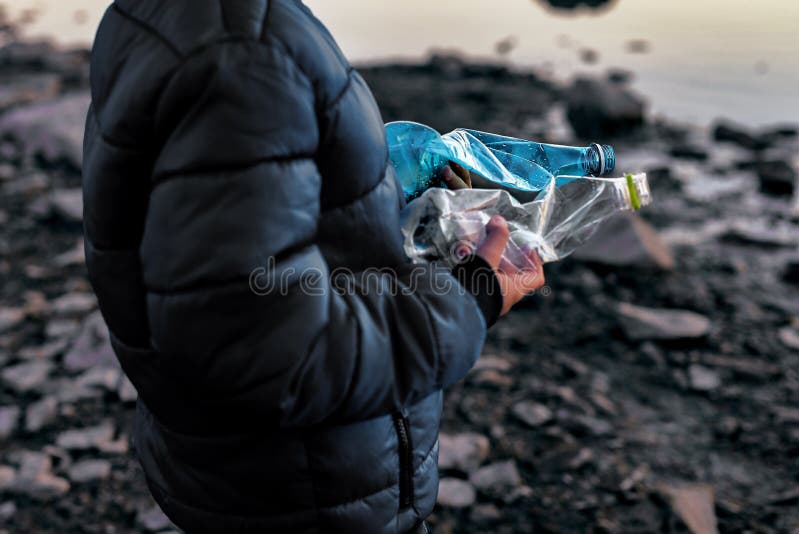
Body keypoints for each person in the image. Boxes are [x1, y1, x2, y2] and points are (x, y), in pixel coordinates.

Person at [82, 1, 545, 532]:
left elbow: (206, 239)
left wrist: (369, 190)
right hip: (308, 488)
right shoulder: (243, 49)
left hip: (250, 472)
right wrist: (470, 298)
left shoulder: (165, 14)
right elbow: (267, 351)